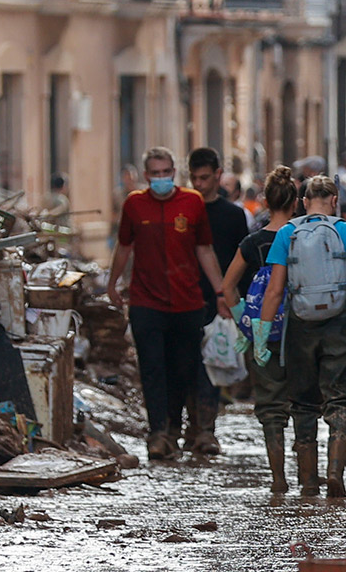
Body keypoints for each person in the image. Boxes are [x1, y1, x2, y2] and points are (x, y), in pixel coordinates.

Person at [254, 175, 346, 500]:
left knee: (304, 403)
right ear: (335, 200)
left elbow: (274, 291)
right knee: (341, 399)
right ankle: (335, 472)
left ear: (303, 202)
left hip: (301, 327)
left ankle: (309, 482)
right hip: (341, 325)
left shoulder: (287, 233)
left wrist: (261, 335)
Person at [108, 148, 226, 462]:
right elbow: (123, 247)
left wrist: (221, 291)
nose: (161, 178)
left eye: (166, 172)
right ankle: (158, 433)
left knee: (183, 369)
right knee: (151, 368)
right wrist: (112, 283)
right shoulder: (135, 205)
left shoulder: (192, 203)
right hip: (146, 300)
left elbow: (204, 250)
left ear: (174, 172)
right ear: (147, 176)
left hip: (187, 302)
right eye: (155, 173)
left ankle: (178, 429)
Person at [221, 166, 305, 494]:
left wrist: (246, 325)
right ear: (296, 201)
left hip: (263, 334)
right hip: (303, 331)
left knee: (271, 407)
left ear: (266, 201)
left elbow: (229, 288)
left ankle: (279, 478)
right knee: (303, 403)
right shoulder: (305, 237)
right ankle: (309, 479)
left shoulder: (253, 242)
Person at [183, 147, 250, 456]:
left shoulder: (232, 215)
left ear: (218, 175)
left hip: (219, 301)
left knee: (211, 364)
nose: (200, 184)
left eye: (205, 178)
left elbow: (242, 259)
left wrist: (238, 301)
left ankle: (205, 429)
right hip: (184, 297)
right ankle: (190, 426)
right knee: (185, 365)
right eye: (195, 178)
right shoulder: (183, 210)